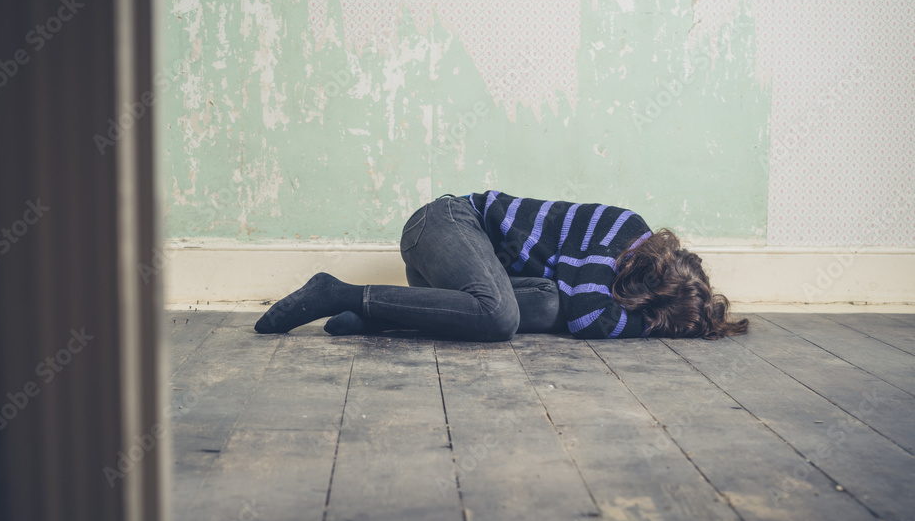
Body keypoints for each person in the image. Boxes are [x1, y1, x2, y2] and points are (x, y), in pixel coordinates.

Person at [254, 191, 748, 341]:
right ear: (650, 287)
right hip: (445, 226)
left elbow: (573, 304)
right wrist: (646, 327)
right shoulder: (622, 233)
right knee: (502, 316)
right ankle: (336, 292)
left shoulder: (622, 263)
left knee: (550, 298)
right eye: (649, 313)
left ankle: (375, 317)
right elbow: (588, 317)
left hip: (459, 276)